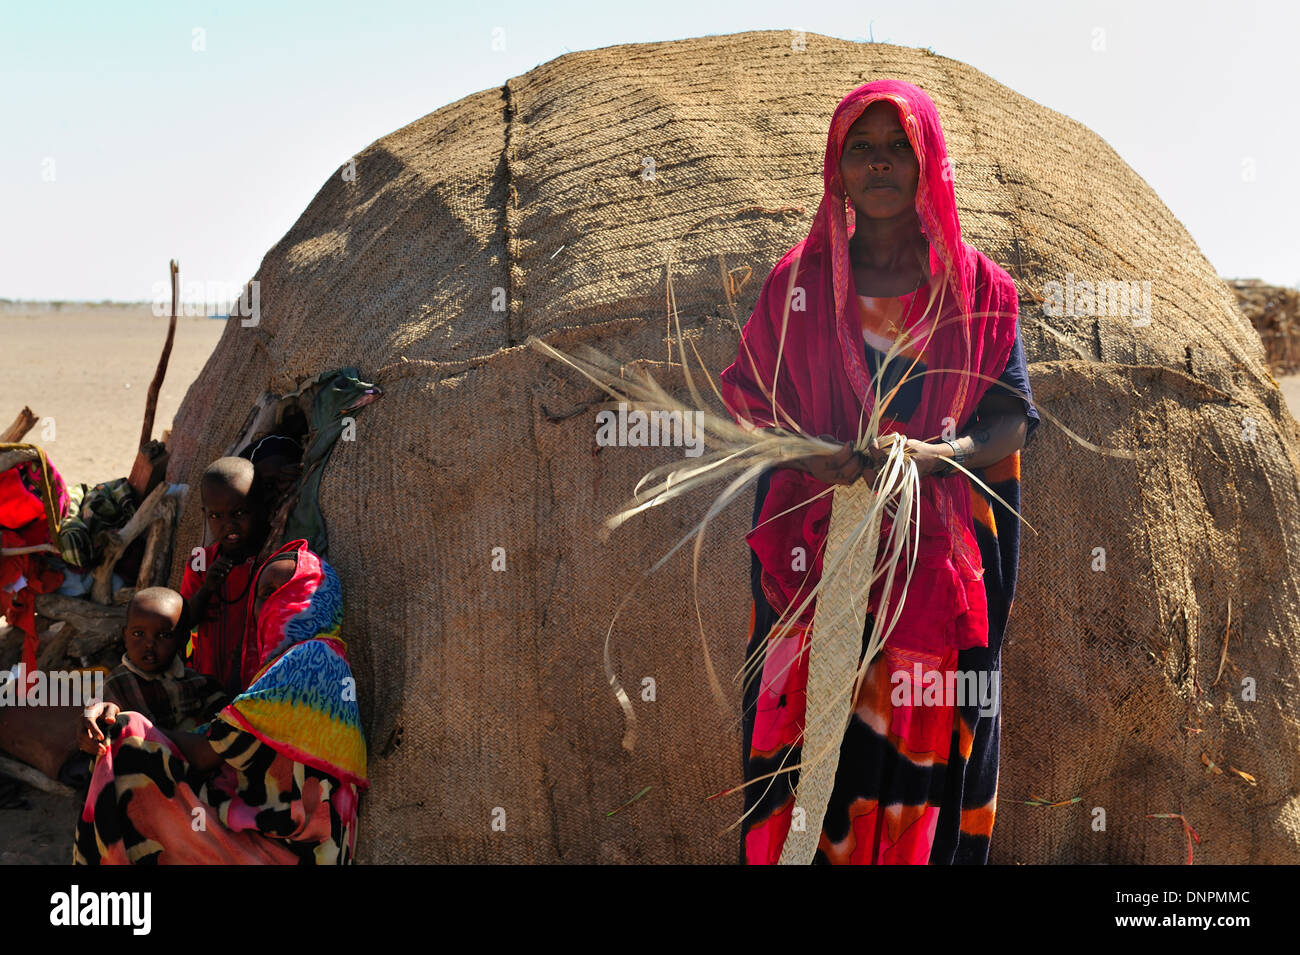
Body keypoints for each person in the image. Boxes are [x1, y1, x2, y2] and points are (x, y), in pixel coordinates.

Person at [720, 79, 1039, 865]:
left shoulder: (977, 289)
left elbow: (1010, 416)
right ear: (836, 168)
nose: (880, 163)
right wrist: (813, 452)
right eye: (860, 148)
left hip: (931, 569)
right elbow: (754, 406)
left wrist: (944, 455)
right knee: (803, 752)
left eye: (898, 147)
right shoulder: (795, 285)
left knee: (914, 755)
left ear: (928, 161)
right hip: (816, 566)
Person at [74, 539, 367, 864]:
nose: (267, 604)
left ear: (314, 597)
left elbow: (208, 752)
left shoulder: (311, 661)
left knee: (127, 739)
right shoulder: (309, 662)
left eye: (281, 590)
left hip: (295, 847)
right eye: (261, 595)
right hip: (285, 833)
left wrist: (126, 727)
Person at [77, 588, 227, 750]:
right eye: (138, 633)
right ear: (125, 636)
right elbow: (94, 727)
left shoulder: (198, 683)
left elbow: (226, 722)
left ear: (183, 640)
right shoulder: (115, 685)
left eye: (164, 635)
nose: (149, 644)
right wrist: (92, 738)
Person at [179, 456, 270, 695]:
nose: (228, 525)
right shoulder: (201, 563)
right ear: (205, 514)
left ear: (260, 508)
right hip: (207, 681)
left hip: (255, 685)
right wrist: (207, 589)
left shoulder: (269, 565)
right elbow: (185, 622)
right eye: (216, 516)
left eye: (239, 513)